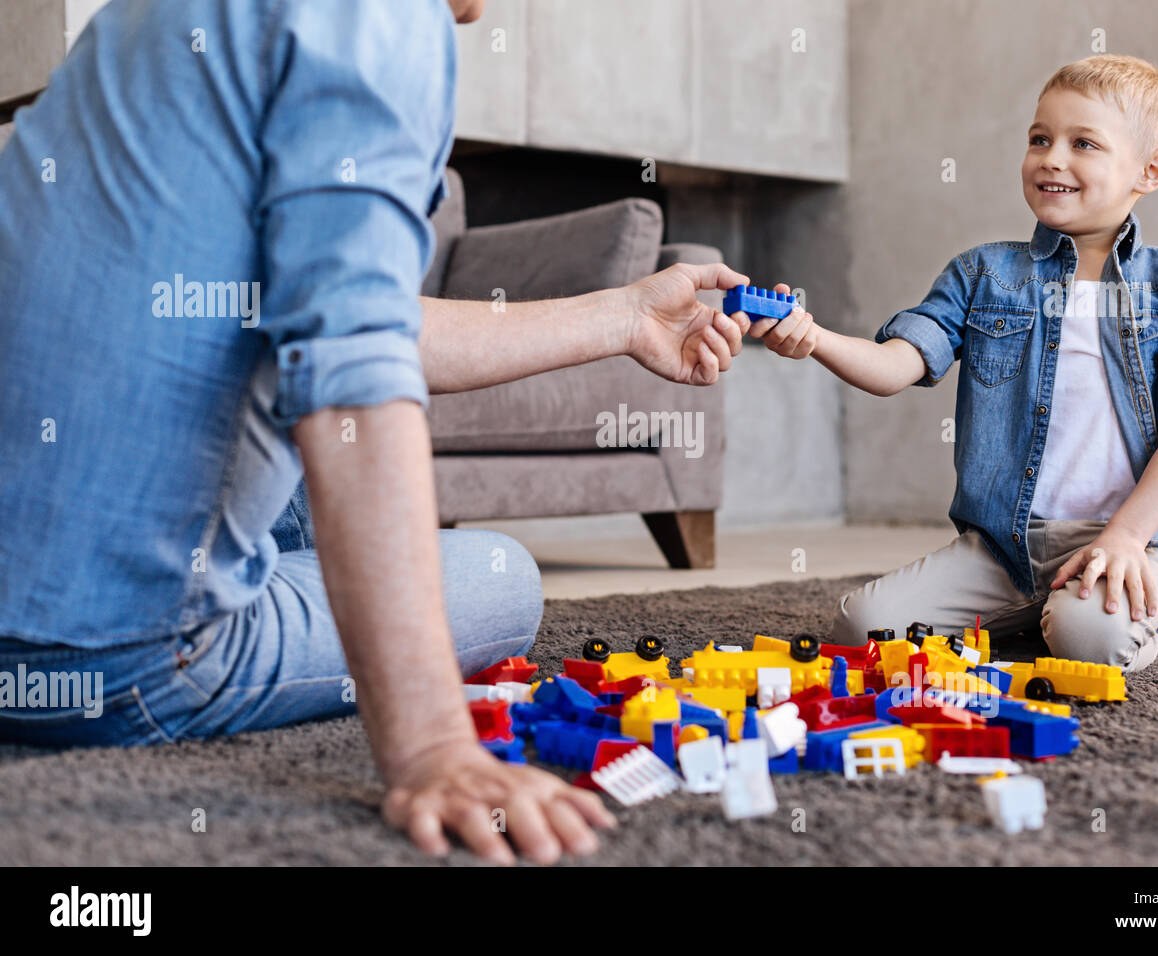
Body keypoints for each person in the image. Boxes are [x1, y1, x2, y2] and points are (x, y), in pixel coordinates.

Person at [0, 0, 751, 864]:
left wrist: (621, 318)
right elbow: (353, 377)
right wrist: (430, 745)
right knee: (504, 574)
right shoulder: (382, 16)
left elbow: (353, 320)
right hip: (108, 657)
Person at [741, 55, 1158, 674]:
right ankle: (1036, 607)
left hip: (1129, 538)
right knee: (860, 632)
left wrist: (1128, 536)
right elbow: (897, 366)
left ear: (1149, 170)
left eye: (1084, 143)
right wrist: (814, 337)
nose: (1052, 157)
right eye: (1039, 138)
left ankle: (1120, 613)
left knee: (1088, 646)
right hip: (1004, 547)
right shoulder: (983, 272)